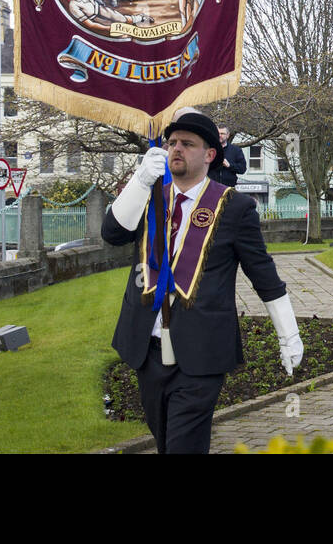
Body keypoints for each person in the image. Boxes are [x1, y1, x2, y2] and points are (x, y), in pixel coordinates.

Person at [102, 109, 303, 454]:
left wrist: (289, 335)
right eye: (172, 142)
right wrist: (139, 181)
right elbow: (112, 234)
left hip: (201, 354)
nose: (175, 149)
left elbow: (264, 276)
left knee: (184, 447)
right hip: (146, 349)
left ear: (210, 155)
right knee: (166, 441)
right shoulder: (150, 197)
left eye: (187, 144)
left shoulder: (235, 208)